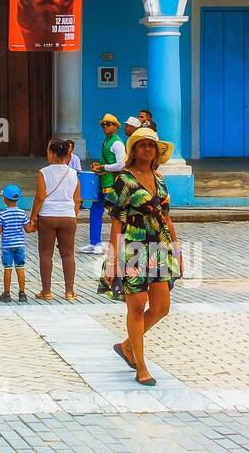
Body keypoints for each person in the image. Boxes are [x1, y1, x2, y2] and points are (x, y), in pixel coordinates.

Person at [100, 128, 180, 387]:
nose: (147, 149)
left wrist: (177, 250)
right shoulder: (124, 179)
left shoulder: (159, 179)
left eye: (151, 145)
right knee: (136, 307)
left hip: (158, 245)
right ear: (133, 150)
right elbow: (115, 220)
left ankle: (126, 346)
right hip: (133, 246)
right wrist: (113, 258)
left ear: (157, 151)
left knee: (161, 307)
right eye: (142, 145)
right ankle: (141, 366)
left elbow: (166, 216)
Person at [32, 138, 83, 301]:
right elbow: (77, 200)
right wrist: (73, 215)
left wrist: (33, 217)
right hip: (68, 216)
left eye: (48, 151)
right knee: (68, 254)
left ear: (53, 154)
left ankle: (46, 291)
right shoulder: (74, 173)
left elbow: (39, 197)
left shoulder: (43, 172)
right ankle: (69, 291)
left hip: (47, 216)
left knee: (46, 254)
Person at [82, 113, 125, 254]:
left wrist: (103, 167)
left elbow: (120, 165)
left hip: (112, 183)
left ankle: (118, 245)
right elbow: (107, 161)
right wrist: (98, 165)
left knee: (115, 215)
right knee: (95, 211)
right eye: (103, 124)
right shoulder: (107, 141)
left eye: (108, 124)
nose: (105, 126)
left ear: (116, 126)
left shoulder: (117, 143)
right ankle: (95, 242)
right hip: (103, 181)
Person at [0, 183, 36, 303]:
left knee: (7, 269)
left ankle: (7, 294)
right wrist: (34, 226)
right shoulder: (22, 213)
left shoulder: (2, 214)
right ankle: (22, 293)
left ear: (5, 199)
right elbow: (28, 230)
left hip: (7, 246)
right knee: (20, 268)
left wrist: (0, 226)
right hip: (20, 245)